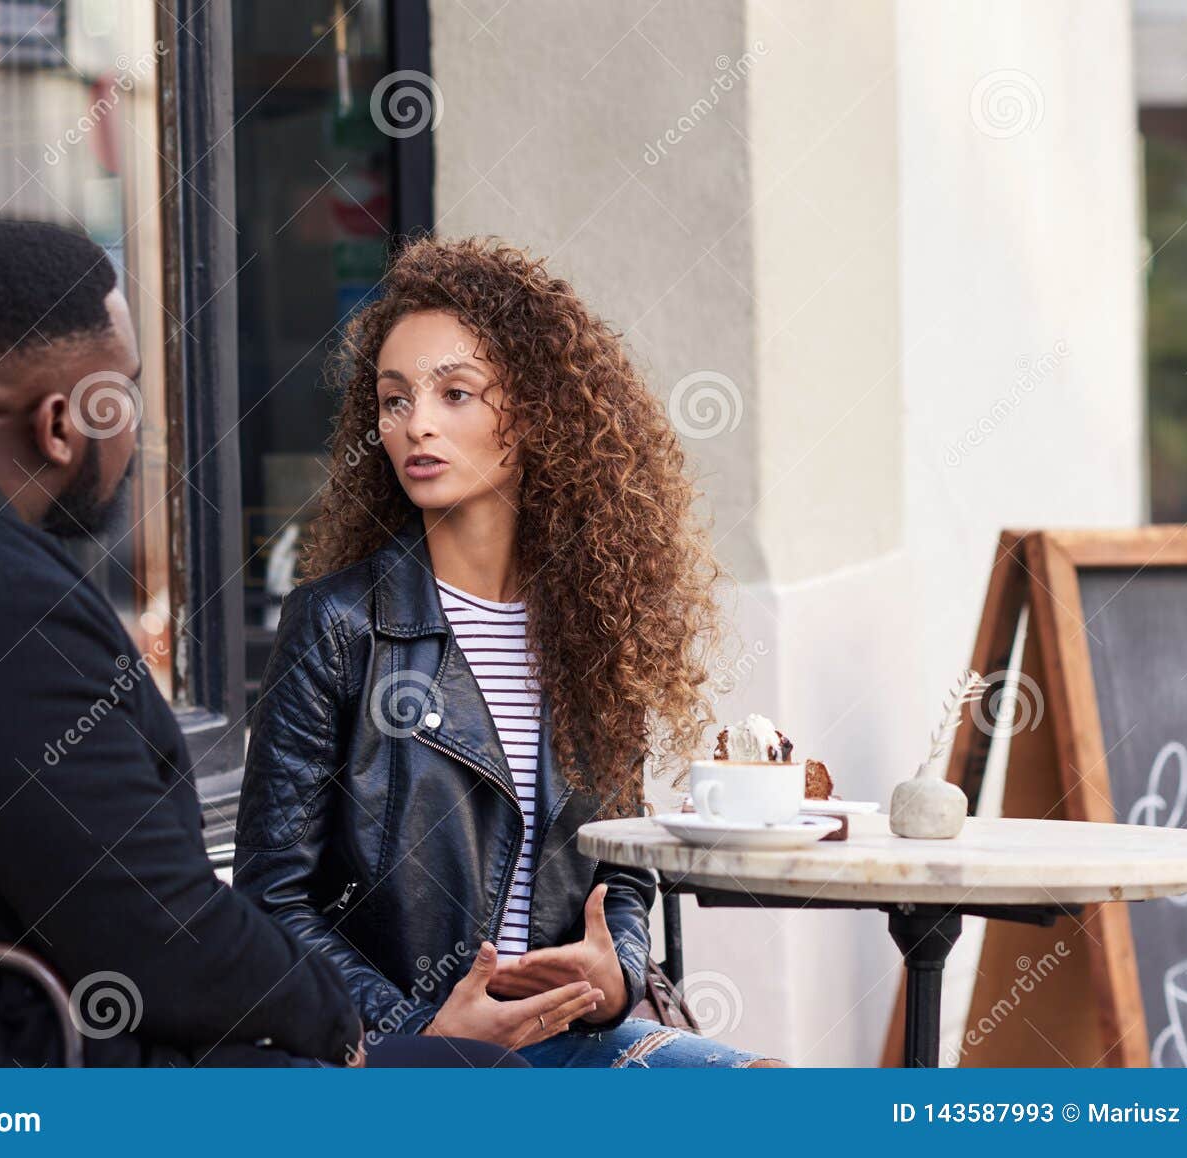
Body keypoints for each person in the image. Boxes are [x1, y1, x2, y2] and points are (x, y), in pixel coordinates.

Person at [0, 220, 526, 1068]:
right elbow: (161, 933)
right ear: (60, 423)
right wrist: (341, 1027)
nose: (142, 428)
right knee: (478, 1080)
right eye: (123, 391)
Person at [234, 237, 783, 1066]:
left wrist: (616, 972)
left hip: (569, 1041)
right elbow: (273, 899)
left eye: (454, 394)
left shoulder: (591, 628)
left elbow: (621, 873)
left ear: (528, 416)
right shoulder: (339, 626)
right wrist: (419, 1030)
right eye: (393, 399)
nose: (415, 422)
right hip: (408, 1057)